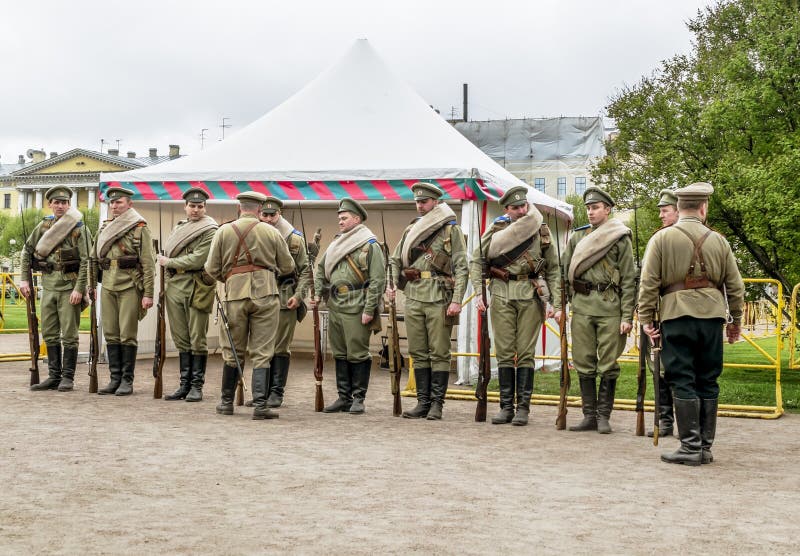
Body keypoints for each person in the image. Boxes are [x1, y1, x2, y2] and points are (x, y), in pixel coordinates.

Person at [639, 182, 744, 465]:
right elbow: (735, 286)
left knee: (681, 378)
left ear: (680, 207)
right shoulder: (719, 240)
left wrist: (646, 319)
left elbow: (648, 283)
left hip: (676, 316)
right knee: (708, 379)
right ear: (702, 208)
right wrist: (735, 320)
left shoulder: (661, 239)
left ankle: (690, 446)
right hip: (712, 318)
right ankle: (705, 448)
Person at [469, 185, 562, 426]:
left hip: (530, 294)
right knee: (504, 351)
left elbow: (552, 267)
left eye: (524, 205)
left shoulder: (540, 230)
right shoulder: (497, 228)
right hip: (501, 294)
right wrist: (480, 292)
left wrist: (554, 302)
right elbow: (477, 261)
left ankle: (523, 409)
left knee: (526, 353)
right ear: (507, 209)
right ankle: (506, 407)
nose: (521, 210)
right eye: (516, 207)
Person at [204, 191, 294, 419]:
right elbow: (288, 266)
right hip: (266, 293)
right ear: (259, 209)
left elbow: (211, 268)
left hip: (235, 294)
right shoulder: (271, 232)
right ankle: (260, 405)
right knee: (263, 351)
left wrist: (231, 277)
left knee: (232, 349)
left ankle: (226, 402)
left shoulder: (223, 231)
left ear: (240, 207)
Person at [387, 182, 468, 420]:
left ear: (435, 202)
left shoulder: (450, 230)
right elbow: (394, 259)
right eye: (417, 202)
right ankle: (423, 402)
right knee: (417, 350)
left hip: (438, 296)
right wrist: (392, 283)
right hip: (413, 295)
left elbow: (462, 268)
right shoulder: (411, 228)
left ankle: (437, 404)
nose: (420, 206)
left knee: (439, 351)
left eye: (424, 202)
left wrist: (457, 300)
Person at [563, 186, 636, 433]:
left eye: (595, 208)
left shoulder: (620, 237)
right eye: (588, 208)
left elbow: (628, 278)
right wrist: (561, 306)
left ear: (608, 209)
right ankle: (589, 416)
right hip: (582, 306)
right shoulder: (577, 238)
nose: (591, 212)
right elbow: (565, 275)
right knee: (583, 361)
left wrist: (627, 315)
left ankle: (603, 416)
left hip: (610, 307)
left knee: (608, 363)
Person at [311, 198, 385, 415]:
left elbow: (377, 280)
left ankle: (358, 398)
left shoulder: (370, 245)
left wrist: (370, 309)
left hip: (357, 303)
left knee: (358, 353)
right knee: (340, 353)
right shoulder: (336, 243)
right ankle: (344, 397)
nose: (340, 221)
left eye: (344, 218)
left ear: (357, 219)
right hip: (335, 303)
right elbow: (320, 268)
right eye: (339, 218)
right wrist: (316, 291)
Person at [21, 186, 91, 392]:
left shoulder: (79, 228)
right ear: (50, 204)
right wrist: (24, 280)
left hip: (70, 287)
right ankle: (54, 376)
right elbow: (27, 251)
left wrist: (80, 288)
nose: (60, 206)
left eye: (64, 202)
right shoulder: (43, 226)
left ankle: (67, 377)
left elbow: (87, 260)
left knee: (69, 334)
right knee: (49, 332)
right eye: (56, 202)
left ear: (69, 205)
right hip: (49, 286)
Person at [90, 187, 155, 396]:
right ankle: (114, 378)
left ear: (129, 204)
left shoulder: (139, 228)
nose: (115, 206)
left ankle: (127, 380)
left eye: (119, 202)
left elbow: (148, 264)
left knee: (127, 335)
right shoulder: (104, 228)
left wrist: (148, 293)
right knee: (110, 334)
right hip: (108, 284)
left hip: (129, 285)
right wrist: (91, 285)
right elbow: (93, 258)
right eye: (112, 203)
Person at [157, 187, 218, 402]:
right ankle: (184, 384)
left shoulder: (210, 229)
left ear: (205, 208)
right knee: (181, 338)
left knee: (197, 338)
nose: (195, 210)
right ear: (185, 207)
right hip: (175, 285)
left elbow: (198, 259)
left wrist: (169, 262)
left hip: (196, 286)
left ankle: (196, 386)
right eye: (192, 206)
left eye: (200, 206)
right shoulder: (180, 227)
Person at [257, 196, 310, 408]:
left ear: (280, 214)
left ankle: (276, 392)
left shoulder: (294, 239)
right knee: (261, 347)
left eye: (273, 215)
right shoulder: (254, 234)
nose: (268, 219)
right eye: (265, 215)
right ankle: (261, 391)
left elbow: (306, 270)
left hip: (283, 296)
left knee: (279, 348)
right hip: (259, 296)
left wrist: (299, 296)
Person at [646, 188, 679, 437]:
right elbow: (648, 281)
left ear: (678, 211)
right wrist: (645, 314)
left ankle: (687, 423)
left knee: (678, 369)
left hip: (675, 313)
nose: (661, 216)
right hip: (660, 314)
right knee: (658, 369)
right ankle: (665, 420)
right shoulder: (658, 239)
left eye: (665, 211)